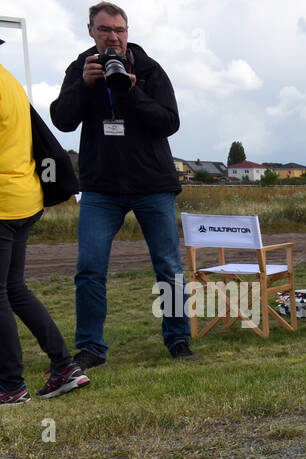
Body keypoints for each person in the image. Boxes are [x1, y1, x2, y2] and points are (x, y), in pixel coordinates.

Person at [50, 2, 195, 365]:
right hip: (101, 188)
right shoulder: (81, 68)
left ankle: (179, 341)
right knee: (89, 269)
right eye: (104, 30)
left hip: (153, 185)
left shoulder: (148, 69)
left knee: (169, 268)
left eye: (119, 30)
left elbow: (169, 122)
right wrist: (85, 86)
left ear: (127, 32)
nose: (112, 37)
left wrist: (132, 91)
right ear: (91, 31)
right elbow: (62, 120)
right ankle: (91, 349)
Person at [0, 52, 89, 405]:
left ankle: (10, 385)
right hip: (25, 197)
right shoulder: (10, 80)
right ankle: (64, 367)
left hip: (4, 202)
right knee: (14, 288)